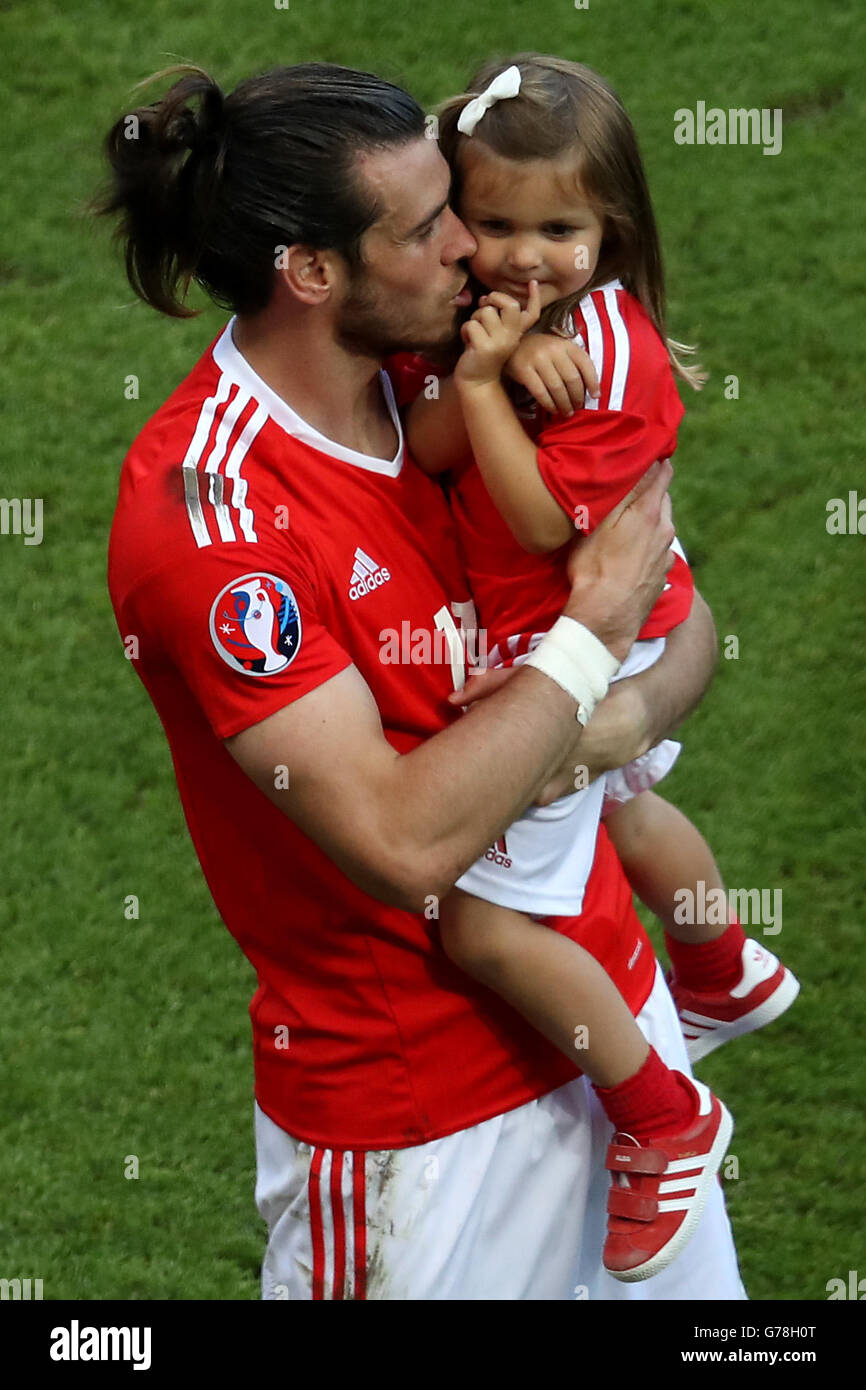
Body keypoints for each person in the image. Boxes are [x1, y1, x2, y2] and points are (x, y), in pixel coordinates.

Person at [98, 60, 744, 1299]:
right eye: (427, 226)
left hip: (611, 1034)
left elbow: (686, 619)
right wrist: (587, 636)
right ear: (312, 272)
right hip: (421, 1132)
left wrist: (614, 721)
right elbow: (400, 845)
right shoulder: (213, 517)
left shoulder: (459, 365)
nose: (473, 247)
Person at [398, 55, 799, 1280]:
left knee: (477, 924)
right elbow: (421, 447)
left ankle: (660, 1115)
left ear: (610, 227)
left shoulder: (610, 360)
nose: (524, 258)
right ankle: (726, 966)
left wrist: (480, 381)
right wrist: (486, 362)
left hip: (582, 640)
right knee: (633, 808)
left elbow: (532, 528)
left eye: (559, 230)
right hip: (593, 628)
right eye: (496, 224)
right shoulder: (519, 322)